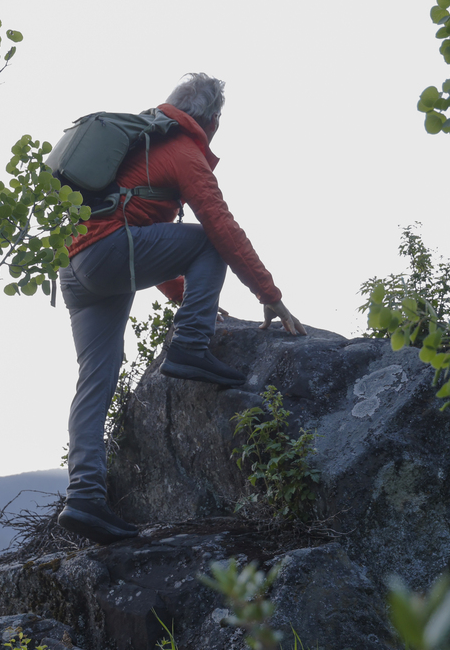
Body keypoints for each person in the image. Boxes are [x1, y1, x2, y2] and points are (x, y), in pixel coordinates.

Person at [56, 73, 306, 544]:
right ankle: (189, 346)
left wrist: (191, 301)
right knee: (211, 241)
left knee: (96, 377)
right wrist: (269, 295)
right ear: (211, 121)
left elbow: (145, 246)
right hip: (110, 253)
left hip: (74, 263)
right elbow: (222, 230)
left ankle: (84, 497)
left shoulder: (138, 142)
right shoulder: (183, 150)